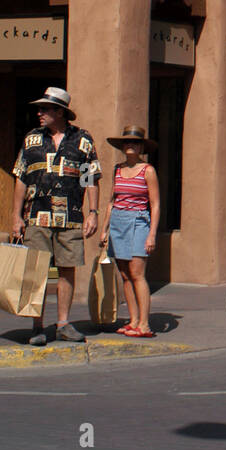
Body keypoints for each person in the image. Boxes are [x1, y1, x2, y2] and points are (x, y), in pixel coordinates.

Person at [11, 87, 100, 346]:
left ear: (60, 112)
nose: (39, 113)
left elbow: (90, 179)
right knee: (36, 272)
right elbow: (20, 178)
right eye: (39, 109)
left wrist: (93, 213)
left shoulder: (82, 139)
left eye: (45, 109)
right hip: (36, 217)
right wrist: (16, 216)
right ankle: (37, 326)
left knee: (67, 270)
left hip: (70, 216)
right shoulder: (32, 139)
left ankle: (63, 323)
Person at [99, 126, 160, 337]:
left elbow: (155, 204)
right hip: (117, 221)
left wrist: (152, 234)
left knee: (137, 273)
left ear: (142, 146)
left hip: (138, 222)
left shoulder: (148, 170)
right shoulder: (117, 169)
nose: (130, 146)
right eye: (127, 143)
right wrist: (104, 229)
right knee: (124, 274)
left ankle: (145, 324)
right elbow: (111, 201)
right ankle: (133, 320)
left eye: (135, 142)